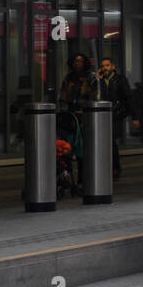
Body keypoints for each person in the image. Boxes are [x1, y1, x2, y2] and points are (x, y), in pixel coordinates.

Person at [97, 56, 139, 181]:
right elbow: (98, 95)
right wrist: (99, 80)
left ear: (113, 67)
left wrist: (134, 117)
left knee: (111, 141)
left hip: (116, 115)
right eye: (103, 66)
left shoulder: (120, 80)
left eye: (107, 65)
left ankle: (115, 168)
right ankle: (107, 167)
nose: (105, 68)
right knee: (104, 142)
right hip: (102, 115)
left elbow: (128, 98)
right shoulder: (100, 80)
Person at [58, 53, 97, 187]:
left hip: (84, 117)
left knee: (82, 152)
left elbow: (95, 97)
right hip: (70, 117)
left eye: (80, 61)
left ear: (85, 62)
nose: (77, 63)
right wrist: (63, 111)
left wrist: (86, 110)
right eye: (75, 61)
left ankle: (82, 180)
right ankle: (67, 178)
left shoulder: (91, 78)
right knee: (66, 150)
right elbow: (62, 97)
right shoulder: (68, 78)